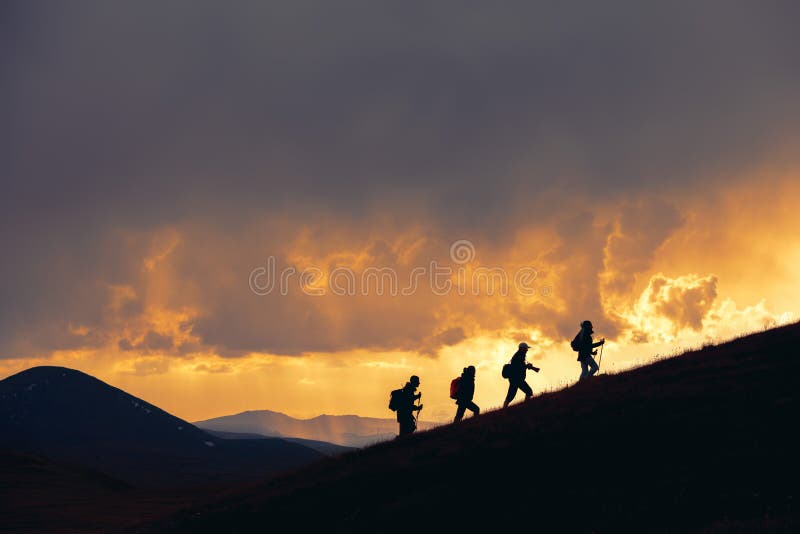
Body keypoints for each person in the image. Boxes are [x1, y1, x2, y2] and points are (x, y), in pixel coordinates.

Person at [503, 342, 541, 408]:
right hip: (516, 379)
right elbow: (518, 367)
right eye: (526, 349)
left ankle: (504, 409)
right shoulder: (519, 356)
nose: (527, 350)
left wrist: (528, 366)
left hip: (516, 379)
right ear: (522, 349)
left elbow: (520, 366)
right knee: (528, 391)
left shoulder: (520, 355)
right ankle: (526, 407)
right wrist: (527, 366)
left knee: (511, 396)